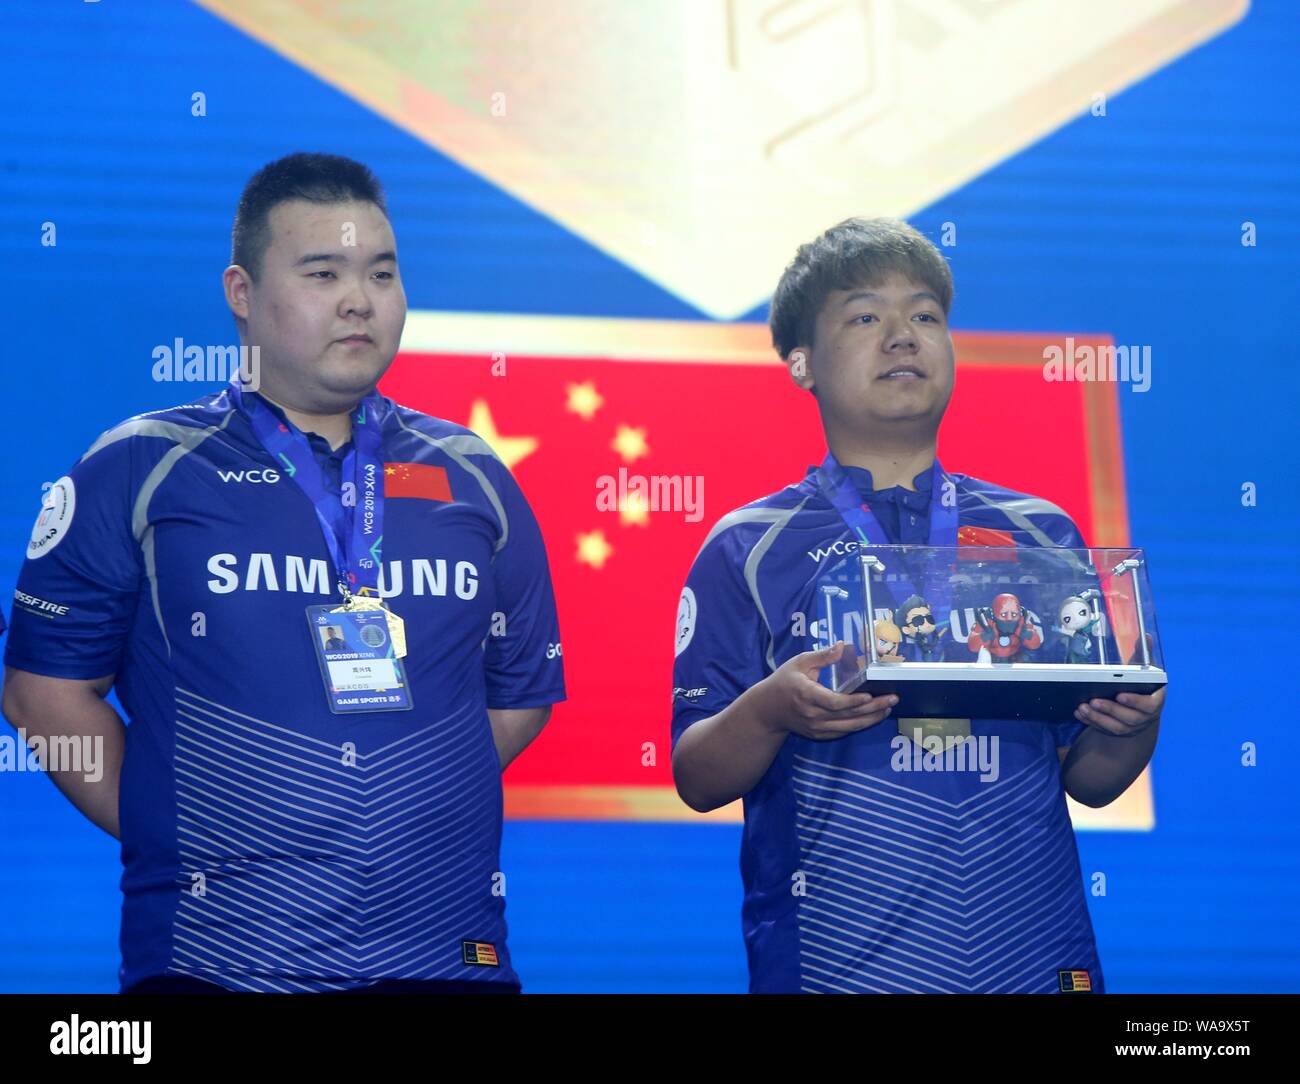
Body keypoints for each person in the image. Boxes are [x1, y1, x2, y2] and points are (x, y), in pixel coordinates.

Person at [2, 152, 565, 994]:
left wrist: (392, 808)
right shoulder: (141, 466)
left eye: (382, 273)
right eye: (323, 273)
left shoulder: (473, 473)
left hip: (448, 961)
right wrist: (184, 825)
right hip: (219, 961)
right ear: (241, 292)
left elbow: (517, 696)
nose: (359, 299)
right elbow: (43, 694)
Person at [670, 217, 1165, 994]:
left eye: (926, 315)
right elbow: (698, 778)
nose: (903, 335)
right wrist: (769, 711)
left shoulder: (1042, 536)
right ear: (801, 362)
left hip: (1034, 967)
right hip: (834, 968)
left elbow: (1093, 779)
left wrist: (1134, 723)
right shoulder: (748, 547)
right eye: (865, 316)